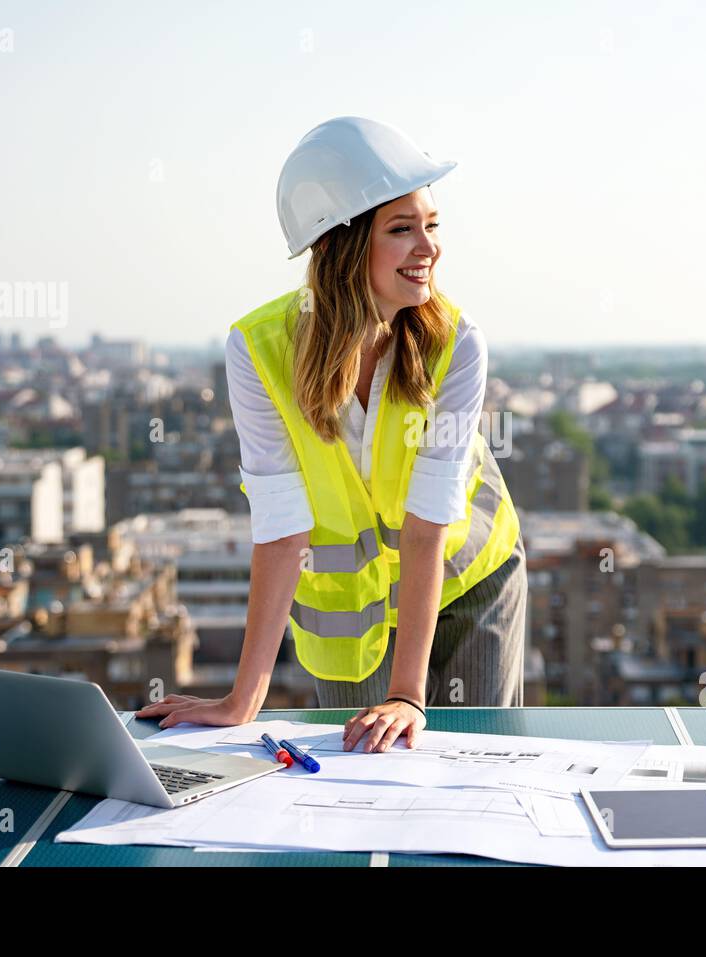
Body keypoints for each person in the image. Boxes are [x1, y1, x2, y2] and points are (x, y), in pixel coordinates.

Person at [135, 117, 526, 754]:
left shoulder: (458, 343)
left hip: (467, 582)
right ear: (340, 247)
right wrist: (243, 700)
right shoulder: (258, 350)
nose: (428, 247)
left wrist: (407, 694)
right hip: (346, 616)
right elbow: (282, 526)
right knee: (358, 777)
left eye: (431, 224)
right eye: (402, 230)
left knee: (466, 762)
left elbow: (427, 524)